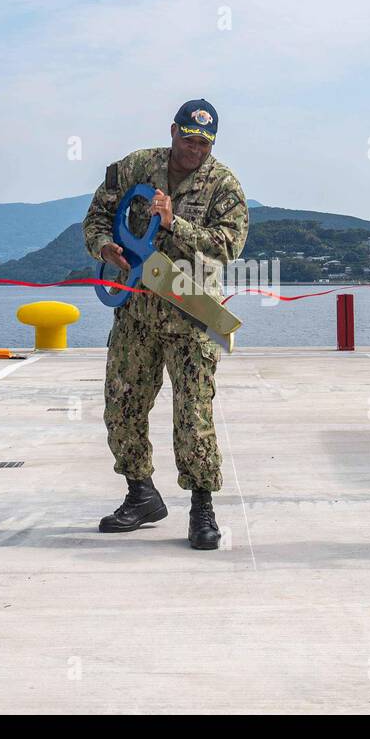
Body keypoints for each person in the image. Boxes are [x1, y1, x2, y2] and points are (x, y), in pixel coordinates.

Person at [82, 100, 248, 550]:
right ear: (172, 131)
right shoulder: (137, 166)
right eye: (188, 140)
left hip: (191, 315)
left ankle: (201, 507)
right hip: (135, 312)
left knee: (193, 415)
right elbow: (97, 217)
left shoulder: (224, 186)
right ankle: (141, 494)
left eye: (204, 144)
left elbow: (227, 247)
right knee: (122, 406)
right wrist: (103, 248)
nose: (195, 150)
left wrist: (177, 225)